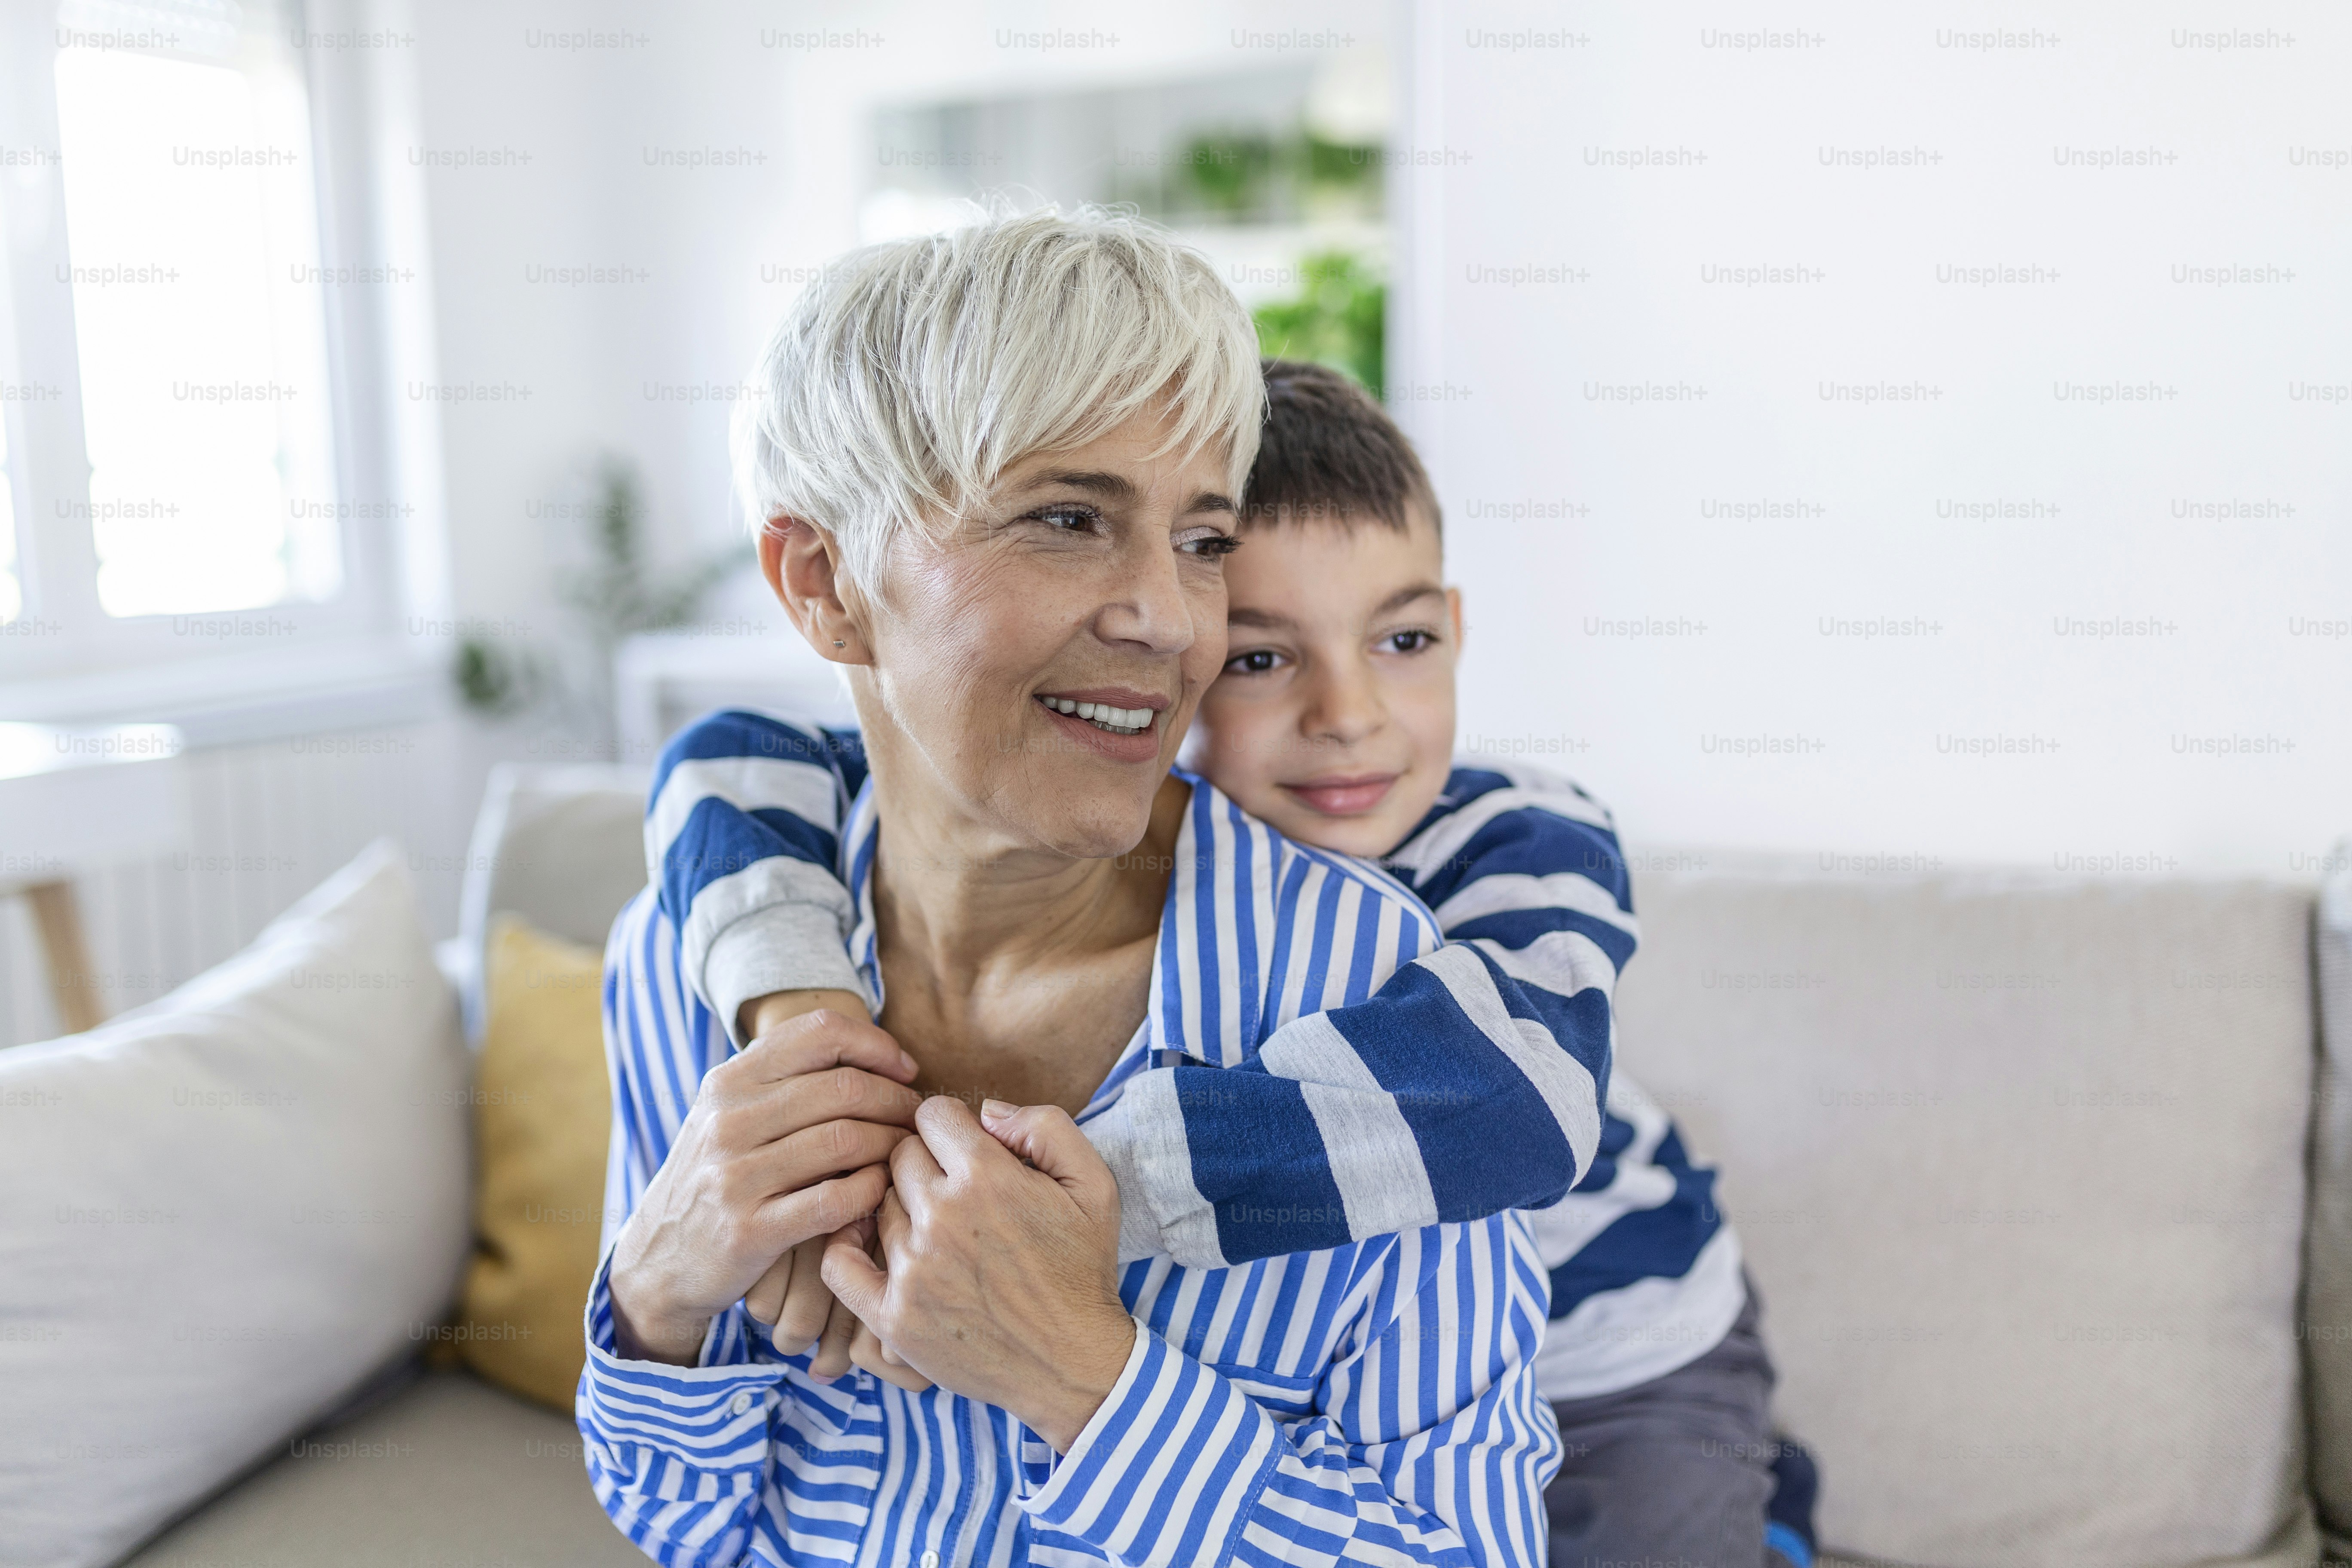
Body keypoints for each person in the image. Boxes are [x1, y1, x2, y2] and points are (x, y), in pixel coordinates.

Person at [652, 357, 1824, 1565]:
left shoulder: (1518, 834)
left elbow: (1515, 1103)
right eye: (1261, 659)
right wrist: (798, 1004)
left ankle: (1766, 1503)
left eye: (1405, 637)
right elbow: (723, 757)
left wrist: (1034, 1210)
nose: (1350, 714)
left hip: (1615, 1349)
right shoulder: (1120, 830)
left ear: (1458, 630)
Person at [580, 208, 1559, 1568]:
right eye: (1066, 518)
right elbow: (681, 1522)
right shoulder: (689, 961)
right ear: (824, 586)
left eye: (1203, 542)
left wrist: (1088, 1380)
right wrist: (657, 1291)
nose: (1170, 618)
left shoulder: (1384, 1018)